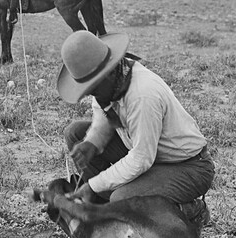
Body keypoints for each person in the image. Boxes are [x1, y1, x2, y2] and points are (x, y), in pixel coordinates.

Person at [56, 30, 213, 224]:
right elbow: (103, 113)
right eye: (88, 90)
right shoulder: (113, 83)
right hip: (149, 153)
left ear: (110, 72)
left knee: (121, 199)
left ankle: (190, 210)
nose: (92, 95)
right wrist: (93, 142)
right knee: (76, 134)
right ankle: (106, 208)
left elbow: (141, 159)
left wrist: (93, 185)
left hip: (188, 167)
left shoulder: (142, 95)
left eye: (94, 88)